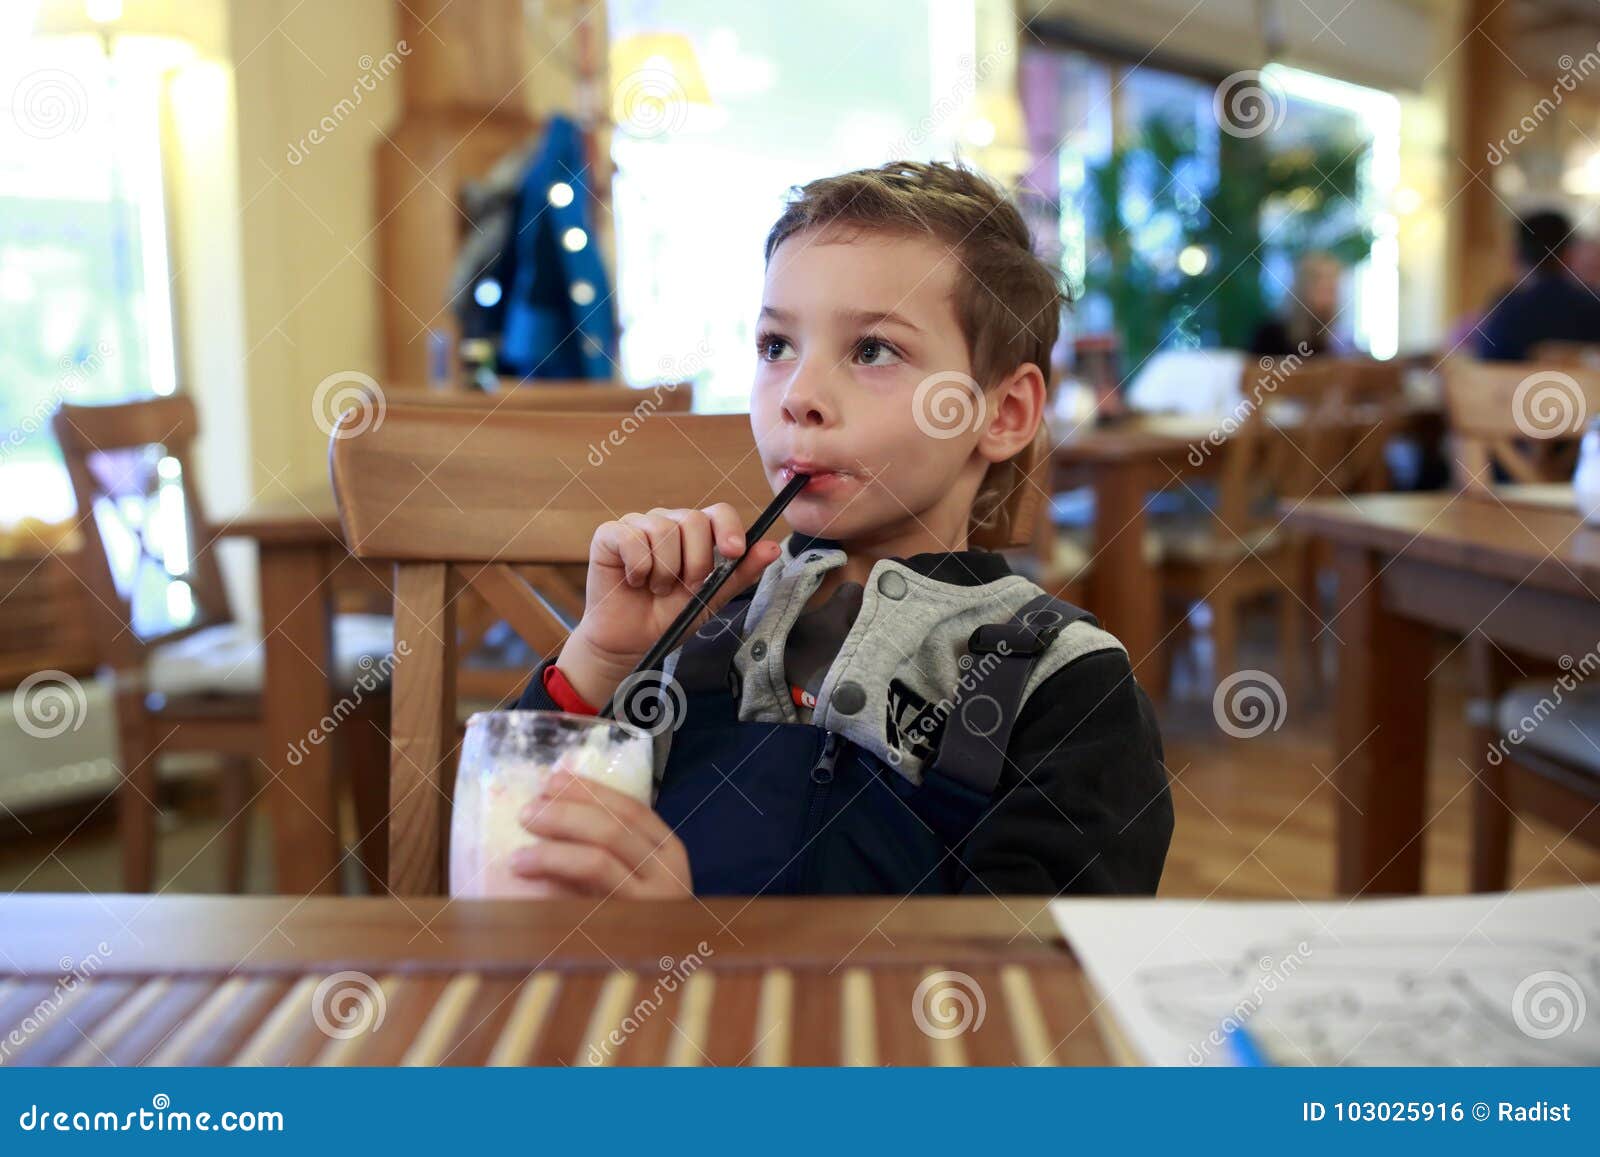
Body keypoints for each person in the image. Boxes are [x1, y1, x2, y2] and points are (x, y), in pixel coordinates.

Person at [509, 160, 1172, 899]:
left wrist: (697, 947)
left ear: (1005, 412)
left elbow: (1030, 997)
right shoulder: (691, 629)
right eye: (775, 347)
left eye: (872, 351)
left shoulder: (1066, 688)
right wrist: (596, 661)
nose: (799, 396)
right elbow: (506, 866)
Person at [1476, 210, 1600, 361]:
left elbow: (1485, 366)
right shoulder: (1593, 306)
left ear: (1515, 255)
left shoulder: (1504, 311)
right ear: (1568, 254)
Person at [1250, 250, 1352, 358]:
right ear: (1303, 290)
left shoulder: (1333, 343)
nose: (1331, 300)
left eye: (1333, 291)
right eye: (1325, 290)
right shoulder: (1270, 337)